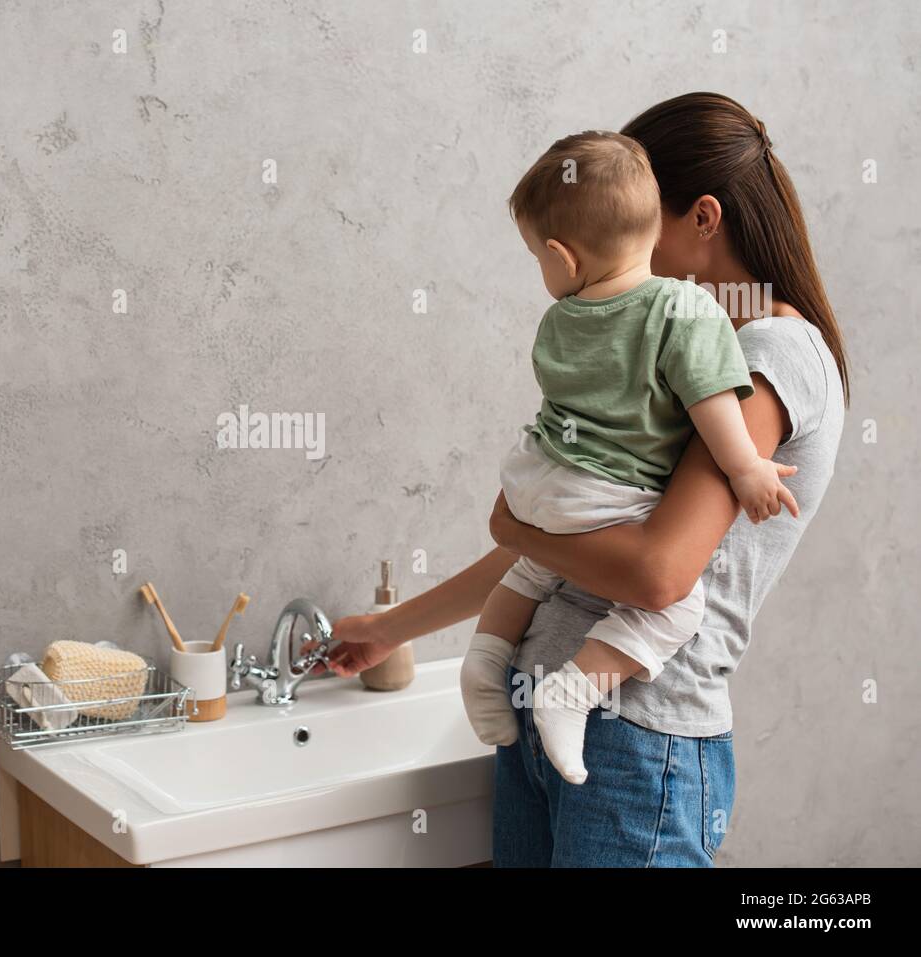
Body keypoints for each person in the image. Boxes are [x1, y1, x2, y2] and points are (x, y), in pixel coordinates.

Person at [325, 92, 848, 867]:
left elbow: (657, 572)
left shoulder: (770, 352)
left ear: (702, 219)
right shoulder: (666, 346)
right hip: (548, 720)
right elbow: (578, 540)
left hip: (639, 733)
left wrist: (515, 524)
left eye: (634, 221)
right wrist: (389, 629)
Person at [462, 129, 797, 787]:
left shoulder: (561, 320)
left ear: (563, 255)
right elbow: (710, 401)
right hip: (603, 492)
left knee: (536, 563)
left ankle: (482, 656)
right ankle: (577, 690)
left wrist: (515, 525)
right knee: (680, 608)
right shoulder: (685, 309)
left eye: (537, 257)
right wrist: (746, 467)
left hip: (535, 476)